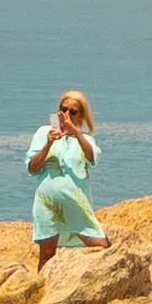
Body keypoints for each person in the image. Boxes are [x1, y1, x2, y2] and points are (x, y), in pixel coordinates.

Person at [26, 89, 105, 275]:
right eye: (64, 109)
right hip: (48, 202)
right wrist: (48, 144)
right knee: (47, 254)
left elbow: (92, 158)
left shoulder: (86, 139)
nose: (67, 115)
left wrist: (76, 133)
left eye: (73, 111)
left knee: (101, 244)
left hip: (74, 201)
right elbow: (32, 167)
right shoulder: (44, 132)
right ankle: (40, 292)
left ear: (81, 115)